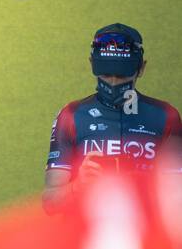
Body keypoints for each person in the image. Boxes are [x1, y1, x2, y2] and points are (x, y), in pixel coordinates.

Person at [44, 23, 181, 211]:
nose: (114, 82)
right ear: (92, 64)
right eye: (107, 74)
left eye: (122, 74)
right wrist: (78, 185)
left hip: (146, 235)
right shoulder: (71, 115)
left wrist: (146, 185)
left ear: (141, 68)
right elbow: (50, 203)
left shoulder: (166, 117)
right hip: (87, 234)